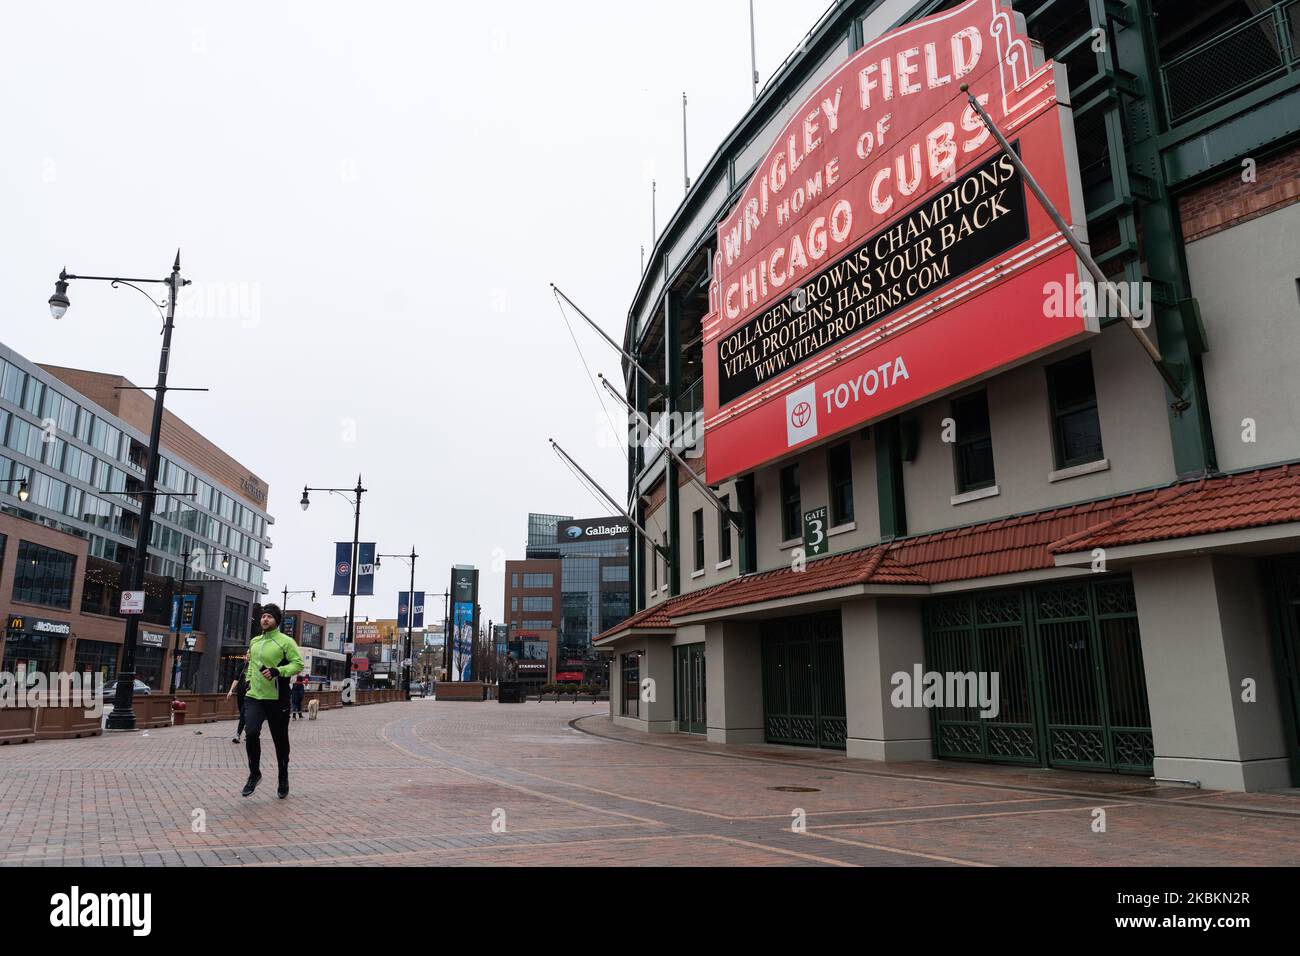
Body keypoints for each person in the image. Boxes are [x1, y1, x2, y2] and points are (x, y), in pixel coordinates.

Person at [240, 603, 303, 799]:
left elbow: (298, 664)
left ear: (276, 620)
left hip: (277, 698)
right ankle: (254, 774)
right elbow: (251, 664)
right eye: (262, 616)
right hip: (254, 697)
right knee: (250, 732)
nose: (264, 619)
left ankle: (283, 777)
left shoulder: (285, 642)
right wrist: (249, 680)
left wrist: (278, 671)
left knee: (280, 742)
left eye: (269, 616)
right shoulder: (255, 641)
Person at [225, 655, 249, 743]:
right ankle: (248, 729)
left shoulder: (256, 666)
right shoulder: (241, 666)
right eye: (246, 654)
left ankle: (238, 734)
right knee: (243, 713)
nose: (247, 656)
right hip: (241, 694)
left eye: (249, 654)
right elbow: (236, 679)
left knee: (243, 713)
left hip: (250, 695)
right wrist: (231, 690)